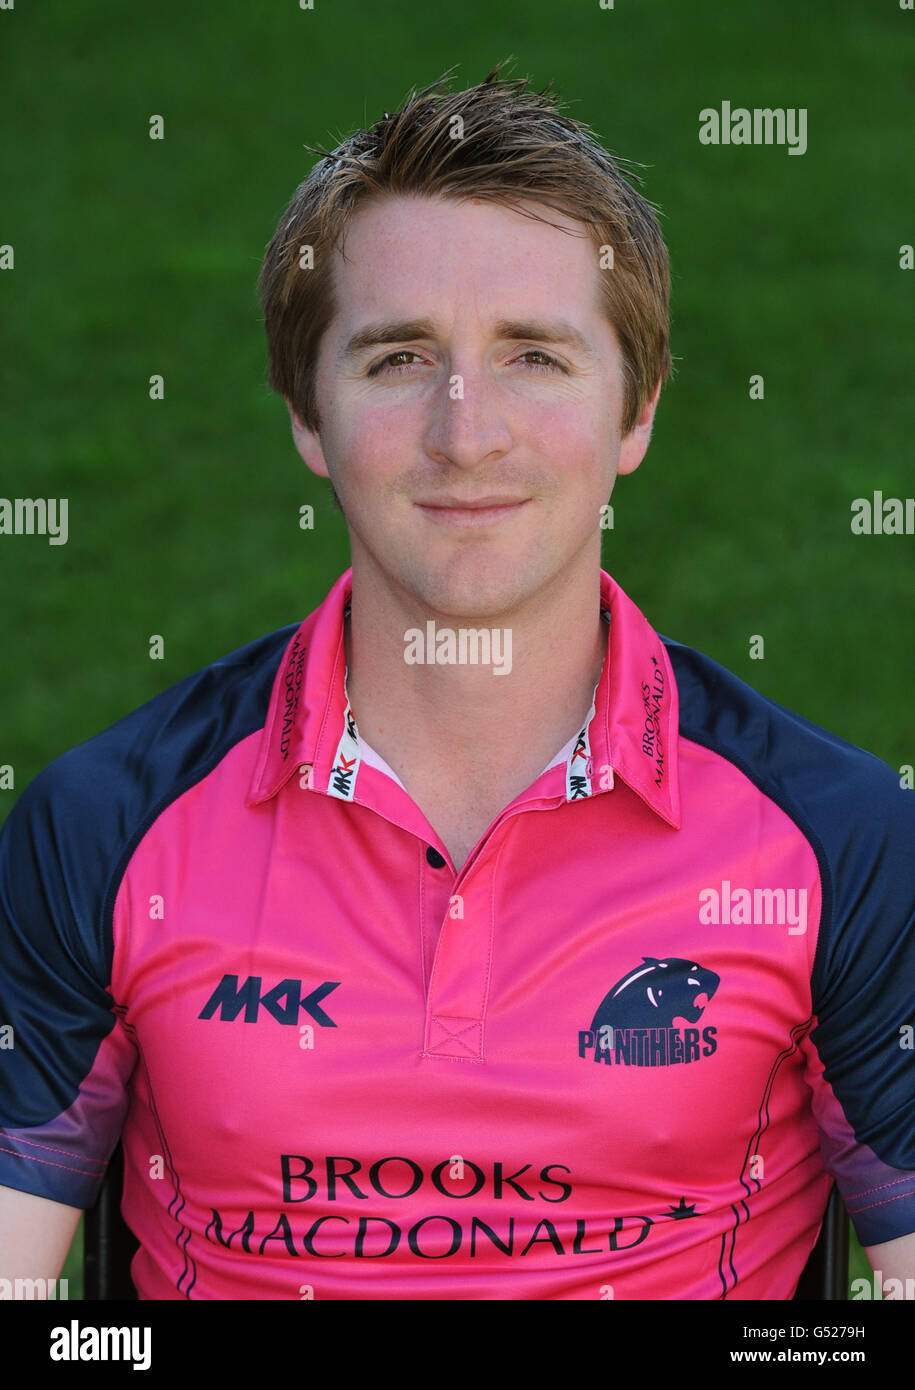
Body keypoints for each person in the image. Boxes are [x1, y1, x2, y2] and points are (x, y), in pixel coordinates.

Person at [1, 62, 913, 1301]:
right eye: (397, 360)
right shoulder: (103, 827)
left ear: (636, 411)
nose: (465, 431)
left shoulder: (842, 842)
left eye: (534, 356)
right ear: (308, 418)